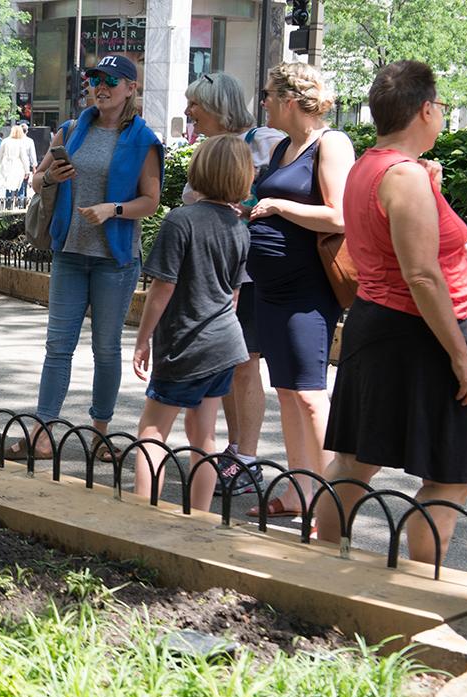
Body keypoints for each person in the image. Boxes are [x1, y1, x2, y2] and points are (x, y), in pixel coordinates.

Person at [314, 61, 467, 565]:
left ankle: (323, 566)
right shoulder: (403, 176)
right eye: (440, 108)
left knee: (354, 460)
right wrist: (461, 357)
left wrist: (428, 184)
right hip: (418, 333)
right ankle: (417, 584)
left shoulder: (373, 166)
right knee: (450, 476)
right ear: (426, 109)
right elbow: (422, 275)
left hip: (378, 323)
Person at [7, 55, 164, 461]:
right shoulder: (72, 130)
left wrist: (113, 209)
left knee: (106, 349)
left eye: (112, 80)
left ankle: (100, 434)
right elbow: (36, 180)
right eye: (95, 79)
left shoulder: (143, 140)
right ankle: (43, 433)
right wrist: (50, 178)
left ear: (131, 88)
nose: (100, 86)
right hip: (70, 253)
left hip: (114, 258)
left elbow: (150, 201)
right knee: (57, 346)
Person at [243, 63, 355, 517]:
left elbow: (341, 216)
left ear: (291, 100)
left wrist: (278, 205)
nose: (264, 101)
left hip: (307, 290)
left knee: (310, 395)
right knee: (287, 391)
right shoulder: (283, 147)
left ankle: (332, 503)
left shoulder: (331, 143)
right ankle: (298, 492)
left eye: (269, 94)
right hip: (269, 290)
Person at [132, 136, 254, 511]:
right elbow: (233, 295)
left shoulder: (180, 221)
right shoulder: (240, 229)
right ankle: (199, 518)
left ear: (197, 172)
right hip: (224, 345)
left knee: (153, 431)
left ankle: (141, 517)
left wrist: (143, 339)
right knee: (204, 435)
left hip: (184, 343)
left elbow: (162, 288)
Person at [180, 72, 287, 496]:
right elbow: (193, 196)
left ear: (218, 105)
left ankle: (247, 459)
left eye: (196, 104)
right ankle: (236, 451)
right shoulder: (209, 146)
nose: (189, 112)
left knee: (245, 362)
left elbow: (286, 195)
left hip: (254, 269)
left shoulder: (266, 140)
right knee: (230, 362)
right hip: (221, 270)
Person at [0, 123, 36, 209]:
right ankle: (20, 206)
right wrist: (27, 171)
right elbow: (24, 158)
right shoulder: (20, 143)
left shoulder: (5, 141)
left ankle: (8, 206)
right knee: (20, 187)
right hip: (18, 167)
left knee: (8, 187)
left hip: (6, 166)